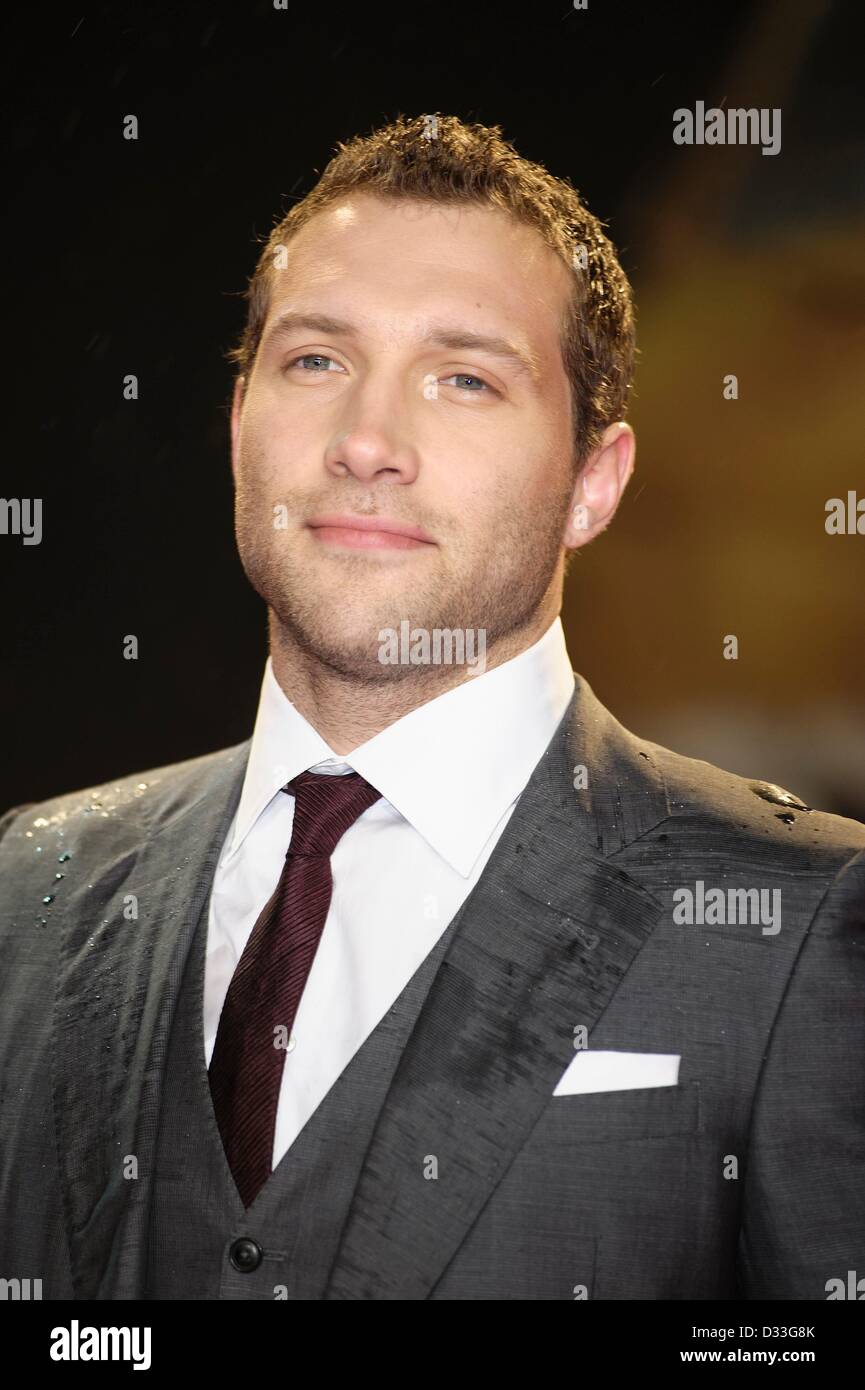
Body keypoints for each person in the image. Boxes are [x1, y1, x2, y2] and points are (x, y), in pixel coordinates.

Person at [1, 114, 862, 1301]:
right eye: (314, 361)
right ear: (237, 418)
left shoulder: (803, 921)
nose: (366, 441)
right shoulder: (26, 889)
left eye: (463, 378)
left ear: (593, 484)